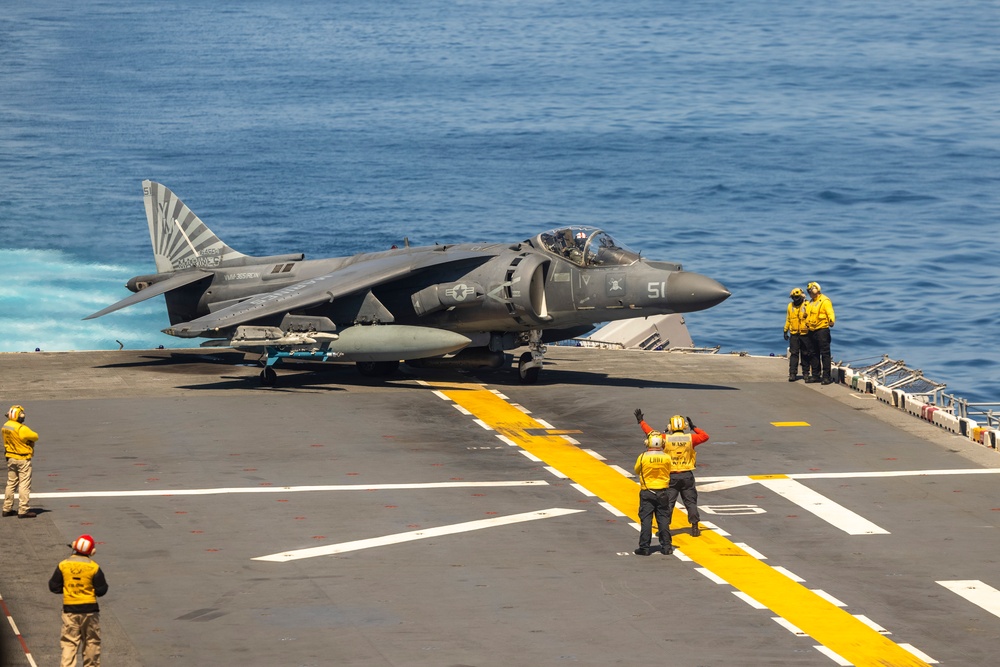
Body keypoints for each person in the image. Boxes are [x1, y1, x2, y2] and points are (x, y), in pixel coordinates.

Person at [634, 409, 709, 536]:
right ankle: (695, 526)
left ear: (670, 426)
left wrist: (641, 421)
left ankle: (665, 527)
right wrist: (694, 427)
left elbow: (651, 433)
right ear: (684, 426)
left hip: (672, 476)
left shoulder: (665, 438)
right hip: (687, 475)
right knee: (690, 502)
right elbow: (705, 436)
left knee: (668, 503)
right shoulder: (690, 438)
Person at [49, 534, 109, 667]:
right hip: (90, 610)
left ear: (74, 547)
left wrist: (68, 590)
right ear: (92, 552)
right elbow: (102, 590)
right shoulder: (94, 567)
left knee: (69, 643)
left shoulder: (63, 565)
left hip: (70, 610)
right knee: (91, 642)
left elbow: (53, 587)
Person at [633, 431, 672, 556]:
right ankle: (667, 547)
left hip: (647, 492)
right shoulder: (666, 457)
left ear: (648, 443)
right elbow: (669, 469)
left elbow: (637, 470)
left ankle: (644, 547)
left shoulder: (643, 457)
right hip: (662, 492)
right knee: (663, 520)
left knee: (646, 520)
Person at [3, 405, 39, 518]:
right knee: (24, 484)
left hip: (10, 457)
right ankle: (23, 510)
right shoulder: (21, 429)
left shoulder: (6, 426)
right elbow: (35, 436)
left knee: (11, 483)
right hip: (22, 459)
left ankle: (7, 508)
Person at [805, 281, 836, 385]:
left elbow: (830, 312)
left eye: (810, 291)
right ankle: (815, 375)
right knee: (813, 353)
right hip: (812, 330)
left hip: (822, 330)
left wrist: (832, 320)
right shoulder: (811, 302)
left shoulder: (825, 300)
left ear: (815, 290)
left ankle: (826, 377)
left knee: (825, 353)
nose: (809, 293)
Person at [784, 287, 810, 382]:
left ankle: (806, 373)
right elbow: (788, 319)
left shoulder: (807, 305)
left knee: (805, 354)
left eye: (797, 297)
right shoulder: (790, 306)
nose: (795, 299)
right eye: (794, 297)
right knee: (794, 354)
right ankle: (792, 373)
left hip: (805, 333)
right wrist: (785, 330)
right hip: (794, 333)